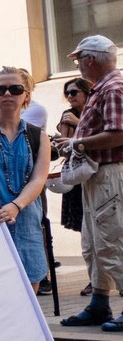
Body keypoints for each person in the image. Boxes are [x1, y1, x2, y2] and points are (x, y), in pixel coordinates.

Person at [57, 36, 123, 330]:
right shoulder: (105, 88)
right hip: (99, 175)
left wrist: (77, 144)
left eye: (79, 59)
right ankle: (99, 304)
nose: (78, 65)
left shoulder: (113, 88)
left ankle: (103, 304)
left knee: (113, 241)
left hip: (109, 175)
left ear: (91, 59)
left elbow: (119, 134)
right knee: (95, 244)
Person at [0, 67, 51, 293]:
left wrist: (17, 205)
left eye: (15, 89)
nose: (7, 94)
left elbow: (39, 179)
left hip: (27, 221)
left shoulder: (38, 136)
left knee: (30, 288)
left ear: (26, 95)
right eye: (1, 89)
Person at [56, 77, 94, 296]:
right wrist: (67, 126)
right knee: (86, 233)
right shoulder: (67, 116)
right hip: (79, 176)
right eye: (67, 93)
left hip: (100, 174)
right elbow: (64, 148)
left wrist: (78, 123)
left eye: (74, 93)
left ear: (86, 93)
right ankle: (94, 280)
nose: (70, 97)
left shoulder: (95, 113)